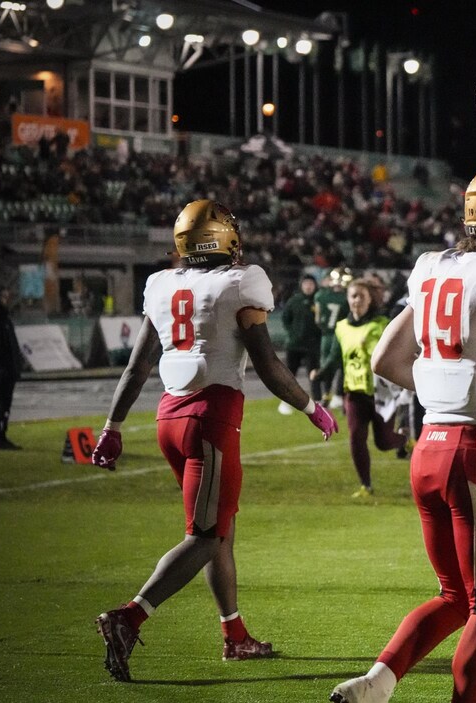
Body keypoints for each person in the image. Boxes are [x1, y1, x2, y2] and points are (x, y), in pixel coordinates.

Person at [329, 162, 476, 703]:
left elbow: (387, 359)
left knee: (455, 595)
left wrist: (442, 393)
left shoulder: (436, 265)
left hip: (429, 451)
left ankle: (377, 682)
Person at [89, 200, 338, 683]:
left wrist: (112, 427)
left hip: (169, 418)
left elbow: (137, 366)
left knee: (217, 530)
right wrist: (311, 407)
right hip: (212, 419)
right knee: (205, 535)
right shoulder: (239, 282)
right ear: (227, 238)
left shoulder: (162, 285)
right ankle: (129, 617)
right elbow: (267, 365)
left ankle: (235, 634)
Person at [312, 277, 402, 497]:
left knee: (384, 442)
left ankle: (406, 439)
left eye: (362, 296)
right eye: (353, 296)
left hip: (380, 394)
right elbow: (335, 358)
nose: (357, 300)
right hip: (353, 392)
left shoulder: (382, 324)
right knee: (356, 438)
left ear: (371, 299)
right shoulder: (342, 327)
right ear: (348, 299)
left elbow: (395, 353)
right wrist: (321, 373)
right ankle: (366, 485)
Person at [0, 284, 24, 450]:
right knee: (2, 403)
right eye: (2, 297)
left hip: (8, 370)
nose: (6, 300)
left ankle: (2, 435)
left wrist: (17, 363)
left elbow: (12, 345)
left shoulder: (5, 319)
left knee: (6, 404)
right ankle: (0, 438)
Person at [279, 273, 321, 415]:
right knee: (290, 375)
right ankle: (285, 402)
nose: (308, 286)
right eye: (306, 284)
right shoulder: (294, 301)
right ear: (302, 285)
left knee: (314, 374)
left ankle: (318, 402)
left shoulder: (319, 300)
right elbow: (285, 318)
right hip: (294, 345)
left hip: (312, 346)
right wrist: (293, 333)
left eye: (311, 284)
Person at [315, 266, 351, 409]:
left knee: (326, 366)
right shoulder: (346, 297)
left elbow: (317, 319)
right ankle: (338, 396)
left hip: (326, 336)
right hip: (342, 335)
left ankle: (326, 395)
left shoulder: (321, 295)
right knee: (342, 366)